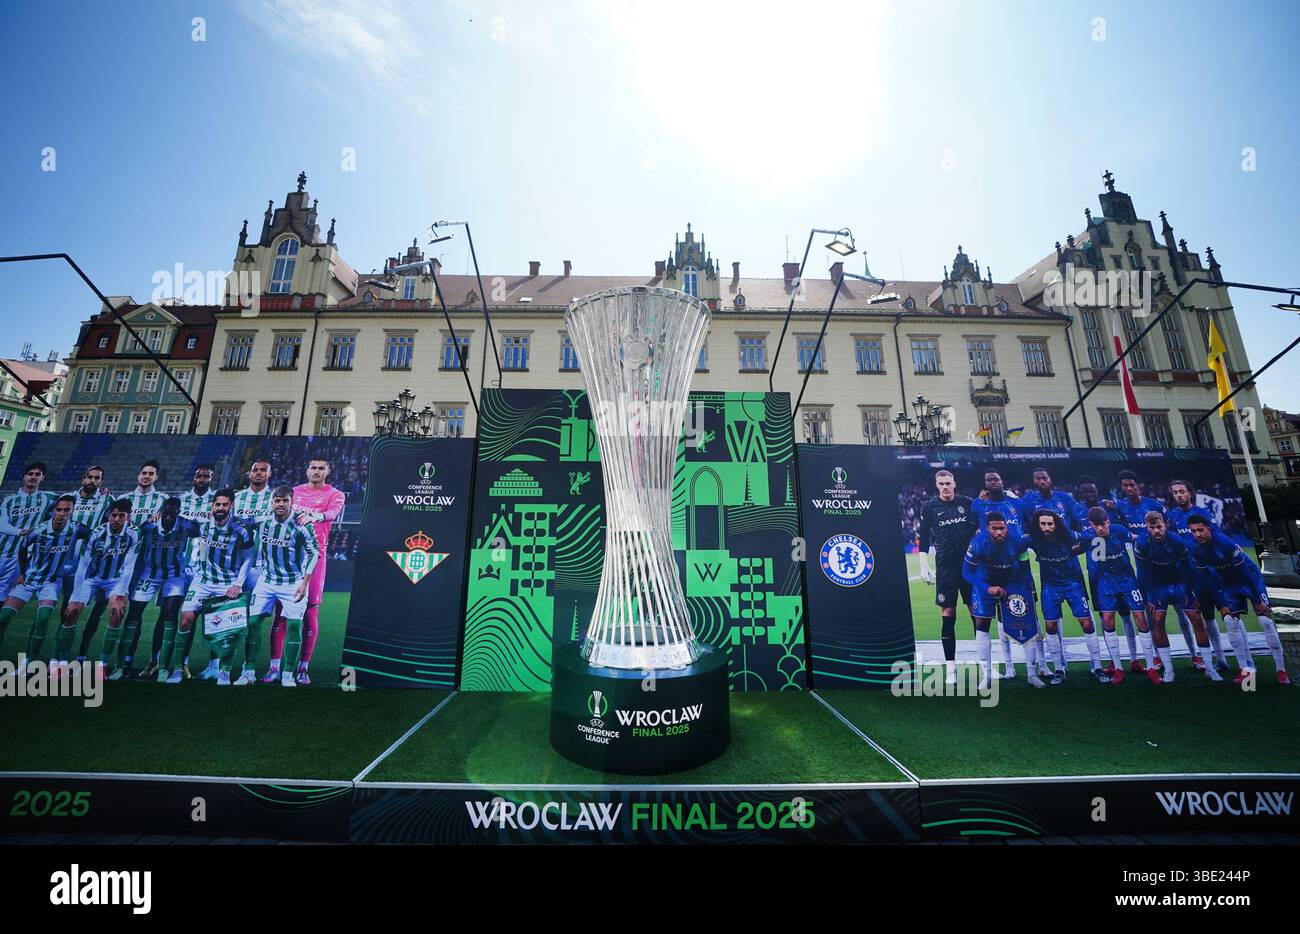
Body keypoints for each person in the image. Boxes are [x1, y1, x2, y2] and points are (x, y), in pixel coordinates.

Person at [265, 456, 344, 685]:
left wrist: (315, 515)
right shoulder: (294, 491)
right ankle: (274, 667)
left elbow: (332, 514)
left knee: (310, 612)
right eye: (313, 468)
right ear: (306, 470)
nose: (316, 471)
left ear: (327, 471)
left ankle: (303, 668)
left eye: (321, 468)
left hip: (315, 556)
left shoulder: (335, 494)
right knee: (280, 612)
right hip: (288, 557)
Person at [1187, 514, 1290, 686]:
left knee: (1265, 620)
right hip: (1228, 584)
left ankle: (1281, 670)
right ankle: (1246, 670)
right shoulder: (1196, 551)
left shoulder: (1225, 543)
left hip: (1250, 579)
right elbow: (1209, 579)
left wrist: (1257, 600)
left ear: (1209, 529)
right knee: (1229, 621)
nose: (1197, 534)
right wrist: (1222, 604)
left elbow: (1245, 572)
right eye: (1193, 531)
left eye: (1200, 530)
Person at [169, 490, 253, 686]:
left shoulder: (241, 529)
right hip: (202, 580)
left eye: (224, 505)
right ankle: (178, 669)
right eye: (217, 505)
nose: (220, 508)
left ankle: (224, 672)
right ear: (212, 506)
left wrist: (237, 584)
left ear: (231, 506)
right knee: (186, 620)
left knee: (226, 630)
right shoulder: (203, 524)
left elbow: (248, 558)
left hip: (227, 583)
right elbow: (179, 521)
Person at [1023, 508, 1116, 684]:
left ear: (1056, 524)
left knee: (1087, 623)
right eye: (1043, 524)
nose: (1047, 527)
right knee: (1050, 626)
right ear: (1038, 524)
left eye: (1050, 523)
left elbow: (1094, 538)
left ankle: (1097, 666)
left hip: (1073, 584)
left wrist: (1096, 556)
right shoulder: (1033, 539)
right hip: (1050, 587)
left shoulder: (1068, 535)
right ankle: (1059, 669)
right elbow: (1015, 542)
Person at [961, 512, 1048, 689]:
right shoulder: (977, 543)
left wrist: (1021, 591)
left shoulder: (1018, 542)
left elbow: (1025, 569)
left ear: (1006, 527)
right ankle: (987, 675)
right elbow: (967, 573)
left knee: (1025, 623)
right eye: (995, 529)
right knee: (982, 625)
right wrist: (987, 588)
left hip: (1012, 583)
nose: (999, 532)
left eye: (1002, 528)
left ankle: (1032, 673)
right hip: (985, 584)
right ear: (987, 528)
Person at [0, 495, 90, 666]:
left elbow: (91, 536)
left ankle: (29, 663)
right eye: (59, 510)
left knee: (42, 620)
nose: (62, 513)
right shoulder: (39, 530)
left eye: (66, 510)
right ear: (53, 511)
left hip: (51, 582)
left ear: (72, 511)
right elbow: (22, 548)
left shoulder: (76, 530)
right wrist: (21, 573)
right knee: (3, 618)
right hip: (29, 580)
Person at [244, 486, 320, 687]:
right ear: (272, 502)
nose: (280, 504)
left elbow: (314, 553)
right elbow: (237, 518)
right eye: (277, 500)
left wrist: (305, 583)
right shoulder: (262, 521)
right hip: (266, 581)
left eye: (284, 500)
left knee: (294, 625)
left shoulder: (301, 524)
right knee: (253, 623)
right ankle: (248, 671)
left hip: (293, 582)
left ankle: (287, 673)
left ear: (291, 502)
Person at [1134, 511, 1222, 683]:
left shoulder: (1176, 541)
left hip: (1180, 583)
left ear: (1165, 525)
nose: (1157, 531)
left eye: (1159, 526)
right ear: (1147, 528)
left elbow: (1189, 568)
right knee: (1158, 621)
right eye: (1152, 528)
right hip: (1158, 586)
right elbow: (1142, 572)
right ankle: (1168, 670)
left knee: (1197, 619)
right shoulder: (1141, 542)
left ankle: (1210, 668)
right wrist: (1149, 596)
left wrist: (1191, 591)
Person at [58, 499, 139, 677]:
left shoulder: (134, 534)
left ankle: (102, 665)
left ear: (128, 517)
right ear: (109, 516)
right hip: (91, 578)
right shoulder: (96, 533)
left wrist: (119, 594)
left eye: (121, 516)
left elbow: (129, 566)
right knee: (71, 612)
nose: (117, 519)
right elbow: (83, 565)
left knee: (117, 611)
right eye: (114, 515)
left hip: (115, 580)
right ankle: (62, 663)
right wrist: (76, 594)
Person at [917, 469, 979, 684]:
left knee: (976, 613)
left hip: (969, 568)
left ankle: (985, 664)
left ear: (954, 483)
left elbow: (980, 529)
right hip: (945, 569)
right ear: (937, 485)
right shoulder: (929, 507)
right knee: (948, 614)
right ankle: (951, 668)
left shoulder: (968, 503)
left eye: (948, 482)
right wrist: (923, 566)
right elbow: (923, 539)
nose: (945, 486)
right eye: (941, 483)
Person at [1085, 506, 1159, 684]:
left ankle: (1150, 667)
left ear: (1108, 522)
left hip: (1127, 580)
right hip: (1106, 583)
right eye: (1096, 525)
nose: (1100, 528)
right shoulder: (1090, 537)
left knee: (1141, 619)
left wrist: (1149, 537)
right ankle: (1118, 668)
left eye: (1103, 524)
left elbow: (1135, 539)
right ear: (1091, 525)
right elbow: (1098, 560)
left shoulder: (1119, 531)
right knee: (1108, 620)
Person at [128, 498, 200, 682]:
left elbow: (200, 531)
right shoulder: (150, 526)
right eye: (166, 511)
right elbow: (134, 533)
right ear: (161, 511)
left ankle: (165, 665)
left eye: (173, 512)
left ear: (178, 512)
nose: (169, 515)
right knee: (133, 614)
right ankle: (127, 662)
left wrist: (190, 521)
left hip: (175, 575)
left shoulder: (183, 525)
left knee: (170, 614)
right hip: (149, 574)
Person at [1165, 479, 1231, 672]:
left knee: (1228, 614)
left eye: (1181, 491)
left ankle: (1231, 660)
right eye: (1175, 492)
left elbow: (1216, 538)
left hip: (1208, 572)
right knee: (1197, 616)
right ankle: (1198, 656)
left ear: (1189, 493)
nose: (1178, 495)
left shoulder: (1202, 513)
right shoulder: (1173, 516)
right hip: (1185, 574)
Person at [1074, 474, 1139, 667]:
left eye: (1092, 490)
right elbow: (1078, 539)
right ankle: (1114, 660)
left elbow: (1125, 531)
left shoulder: (1110, 507)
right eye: (1085, 491)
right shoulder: (1077, 511)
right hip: (1097, 574)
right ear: (1081, 493)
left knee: (1127, 614)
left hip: (1121, 571)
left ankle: (1134, 657)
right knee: (1106, 616)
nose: (1089, 494)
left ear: (1097, 490)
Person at [970, 468, 1025, 677]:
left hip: (1014, 569)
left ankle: (1013, 666)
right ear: (985, 484)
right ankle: (987, 673)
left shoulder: (1016, 503)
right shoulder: (978, 504)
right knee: (983, 621)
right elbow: (972, 527)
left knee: (1012, 617)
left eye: (996, 479)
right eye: (988, 480)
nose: (992, 482)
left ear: (1002, 481)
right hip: (987, 570)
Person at [62, 466, 115, 660]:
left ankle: (81, 655)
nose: (93, 481)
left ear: (101, 481)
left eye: (97, 478)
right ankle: (61, 654)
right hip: (68, 560)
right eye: (90, 477)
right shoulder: (68, 498)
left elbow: (114, 522)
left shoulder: (107, 499)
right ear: (83, 479)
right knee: (67, 607)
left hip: (95, 563)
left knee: (98, 609)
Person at [176, 464, 218, 680]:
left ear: (212, 478)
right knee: (183, 616)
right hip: (182, 564)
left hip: (207, 565)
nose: (201, 479)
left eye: (206, 476)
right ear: (193, 477)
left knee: (214, 617)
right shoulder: (183, 499)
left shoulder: (216, 500)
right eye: (198, 475)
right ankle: (180, 663)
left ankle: (215, 665)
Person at [0, 462, 57, 603]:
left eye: (37, 474)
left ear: (42, 478)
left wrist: (103, 491)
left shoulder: (49, 498)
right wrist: (20, 532)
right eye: (30, 474)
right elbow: (2, 524)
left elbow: (76, 498)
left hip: (17, 558)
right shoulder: (9, 500)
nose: (33, 477)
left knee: (2, 596)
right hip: (2, 550)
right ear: (24, 477)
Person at [1017, 467, 1082, 532]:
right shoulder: (1026, 501)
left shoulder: (1066, 498)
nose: (1042, 481)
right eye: (1038, 479)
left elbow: (1077, 522)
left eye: (1044, 478)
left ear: (1050, 479)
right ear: (1033, 481)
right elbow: (1022, 525)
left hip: (1066, 539)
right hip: (1040, 540)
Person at [124, 461, 169, 528]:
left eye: (151, 474)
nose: (146, 476)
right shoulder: (123, 498)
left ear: (156, 477)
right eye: (144, 473)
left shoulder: (164, 498)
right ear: (138, 476)